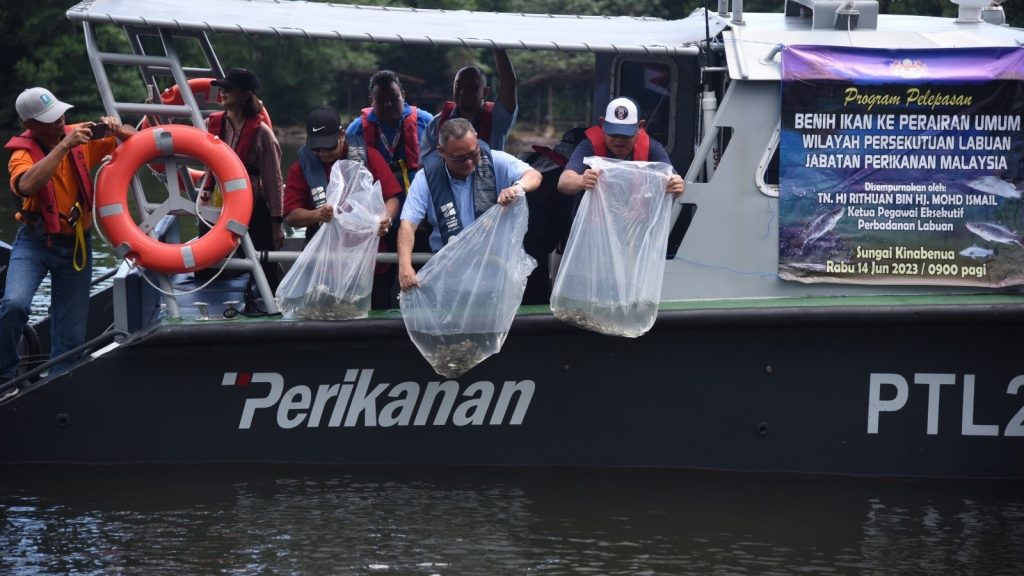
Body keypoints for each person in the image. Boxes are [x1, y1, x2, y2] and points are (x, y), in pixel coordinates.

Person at [1, 87, 136, 385]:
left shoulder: (81, 135)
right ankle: (5, 378)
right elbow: (26, 186)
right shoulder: (21, 155)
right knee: (14, 304)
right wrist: (64, 147)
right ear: (30, 126)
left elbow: (129, 137)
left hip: (76, 244)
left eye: (61, 113)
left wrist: (116, 127)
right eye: (51, 119)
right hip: (35, 243)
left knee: (71, 333)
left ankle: (58, 385)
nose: (60, 121)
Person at [397, 118, 542, 291]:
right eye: (459, 159)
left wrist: (517, 187)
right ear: (441, 152)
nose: (469, 163)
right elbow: (408, 225)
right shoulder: (425, 178)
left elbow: (534, 175)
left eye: (473, 154)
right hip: (450, 274)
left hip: (495, 270)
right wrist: (404, 266)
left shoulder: (495, 161)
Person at [283, 107, 402, 309]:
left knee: (374, 314)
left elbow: (392, 197)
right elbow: (292, 216)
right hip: (325, 265)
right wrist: (317, 214)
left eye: (328, 147)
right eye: (316, 148)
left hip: (369, 262)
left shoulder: (370, 157)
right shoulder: (301, 168)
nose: (322, 153)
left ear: (341, 134)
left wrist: (385, 219)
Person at [205, 67, 285, 292]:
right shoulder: (212, 124)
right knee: (205, 263)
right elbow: (180, 139)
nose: (222, 93)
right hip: (218, 202)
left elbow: (274, 182)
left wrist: (276, 224)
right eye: (222, 88)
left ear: (244, 94)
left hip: (252, 203)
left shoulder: (262, 133)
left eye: (228, 89)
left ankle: (270, 301)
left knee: (265, 262)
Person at [557, 97, 685, 196]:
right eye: (613, 133)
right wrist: (581, 181)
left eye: (626, 134)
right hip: (594, 225)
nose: (618, 140)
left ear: (639, 127)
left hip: (634, 223)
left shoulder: (652, 147)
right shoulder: (589, 145)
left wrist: (676, 184)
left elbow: (673, 180)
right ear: (603, 124)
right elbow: (564, 182)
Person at [420, 49, 518, 162]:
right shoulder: (436, 124)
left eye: (472, 87)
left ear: (485, 92)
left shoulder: (497, 120)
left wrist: (497, 48)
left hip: (487, 179)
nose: (463, 91)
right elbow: (425, 165)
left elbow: (509, 83)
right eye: (459, 86)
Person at [345, 70, 433, 194]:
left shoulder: (426, 122)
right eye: (381, 100)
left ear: (402, 95)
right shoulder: (356, 130)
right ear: (371, 100)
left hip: (419, 200)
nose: (388, 104)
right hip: (377, 202)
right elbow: (351, 172)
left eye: (393, 97)